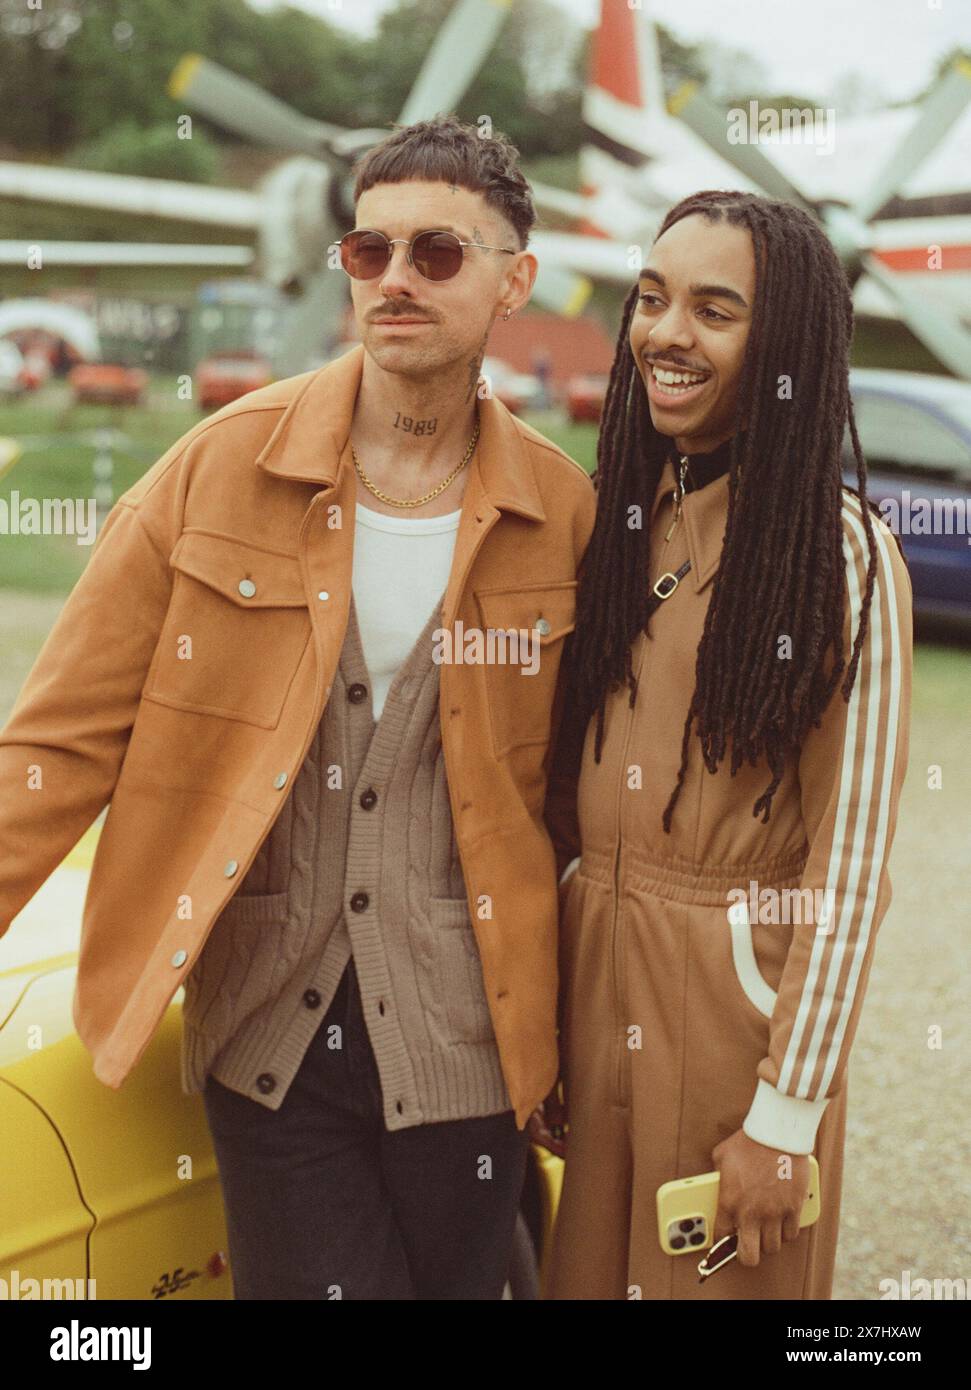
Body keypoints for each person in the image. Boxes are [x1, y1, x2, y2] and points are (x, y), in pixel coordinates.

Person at [0, 115, 594, 1299]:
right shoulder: (215, 469)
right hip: (271, 1034)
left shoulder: (566, 513)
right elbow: (53, 748)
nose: (393, 281)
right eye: (367, 253)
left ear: (514, 280)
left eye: (437, 254)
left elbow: (591, 798)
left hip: (473, 1039)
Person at [539, 189, 912, 1299]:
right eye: (650, 299)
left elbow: (845, 871)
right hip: (592, 972)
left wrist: (784, 1114)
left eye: (713, 310)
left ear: (784, 342)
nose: (664, 332)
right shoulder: (616, 513)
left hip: (732, 1002)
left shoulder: (837, 557)